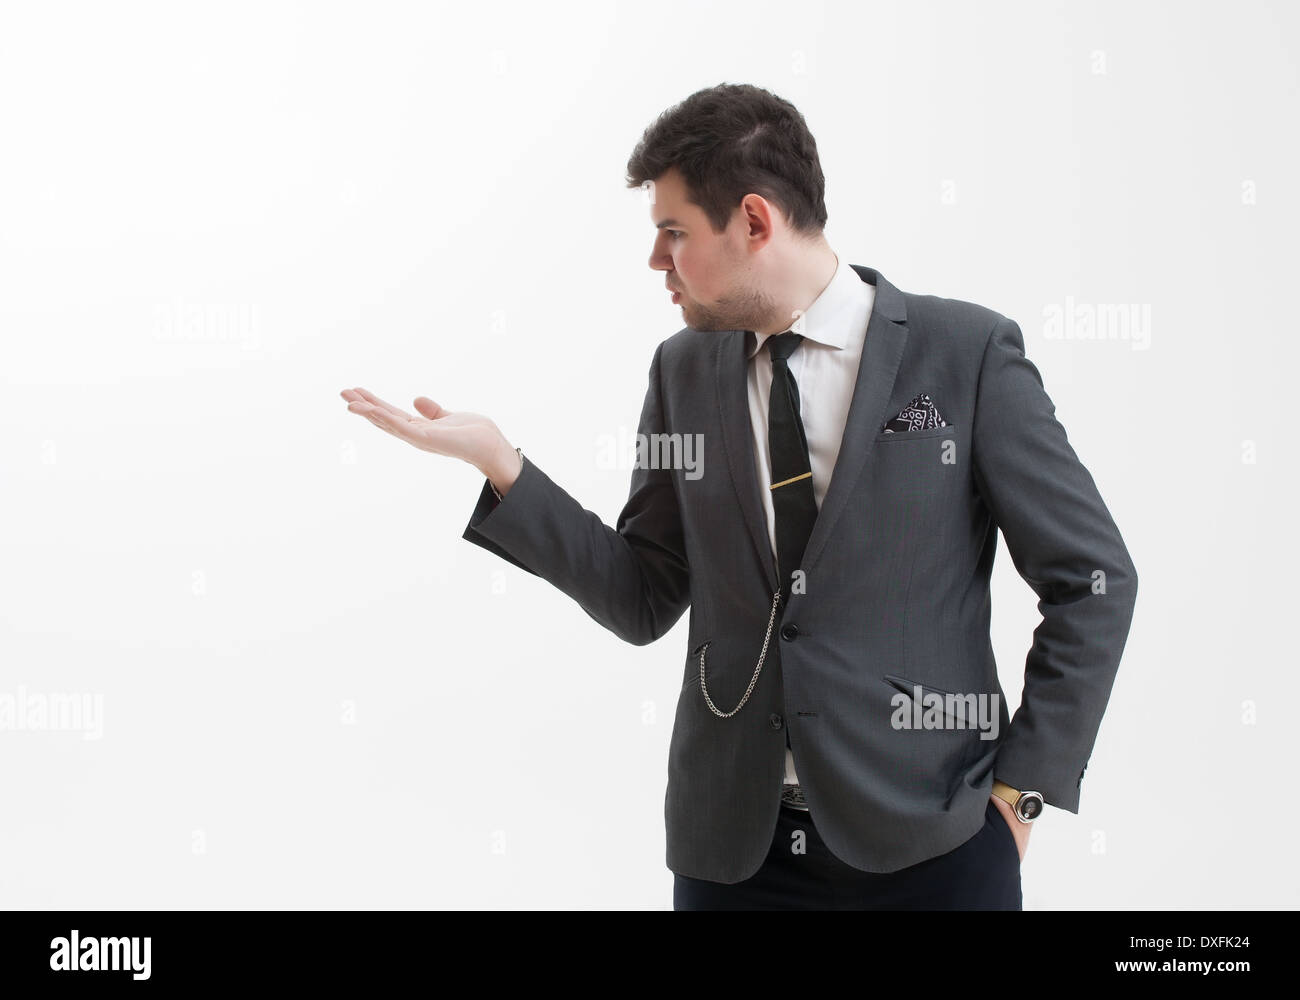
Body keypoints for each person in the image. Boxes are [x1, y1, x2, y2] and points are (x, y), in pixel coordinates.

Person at [339, 83, 1138, 910]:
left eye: (673, 233)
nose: (658, 262)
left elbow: (1092, 579)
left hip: (932, 848)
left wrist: (1022, 795)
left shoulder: (964, 354)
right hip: (735, 856)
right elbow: (643, 595)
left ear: (754, 222)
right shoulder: (683, 371)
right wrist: (504, 465)